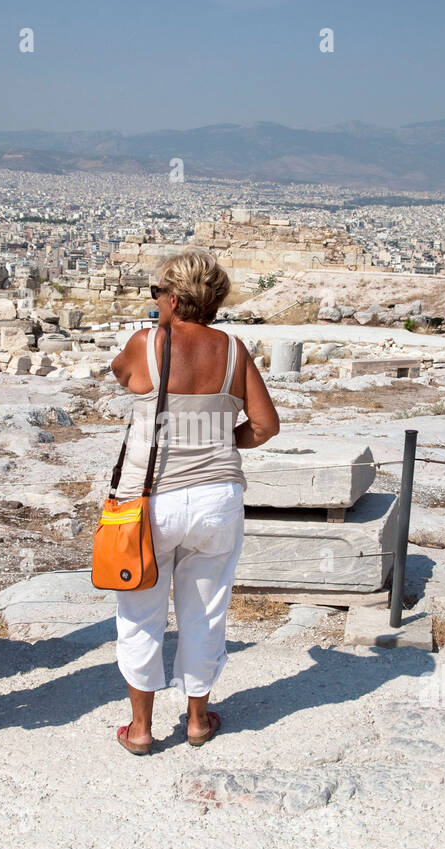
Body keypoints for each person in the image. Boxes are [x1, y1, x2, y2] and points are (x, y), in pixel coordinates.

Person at [109, 247, 279, 755]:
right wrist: (226, 443)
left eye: (158, 292)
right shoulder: (233, 350)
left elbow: (121, 375)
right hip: (216, 498)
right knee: (205, 611)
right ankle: (198, 721)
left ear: (177, 297)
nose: (153, 299)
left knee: (140, 611)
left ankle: (140, 729)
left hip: (151, 501)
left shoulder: (146, 343)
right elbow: (266, 425)